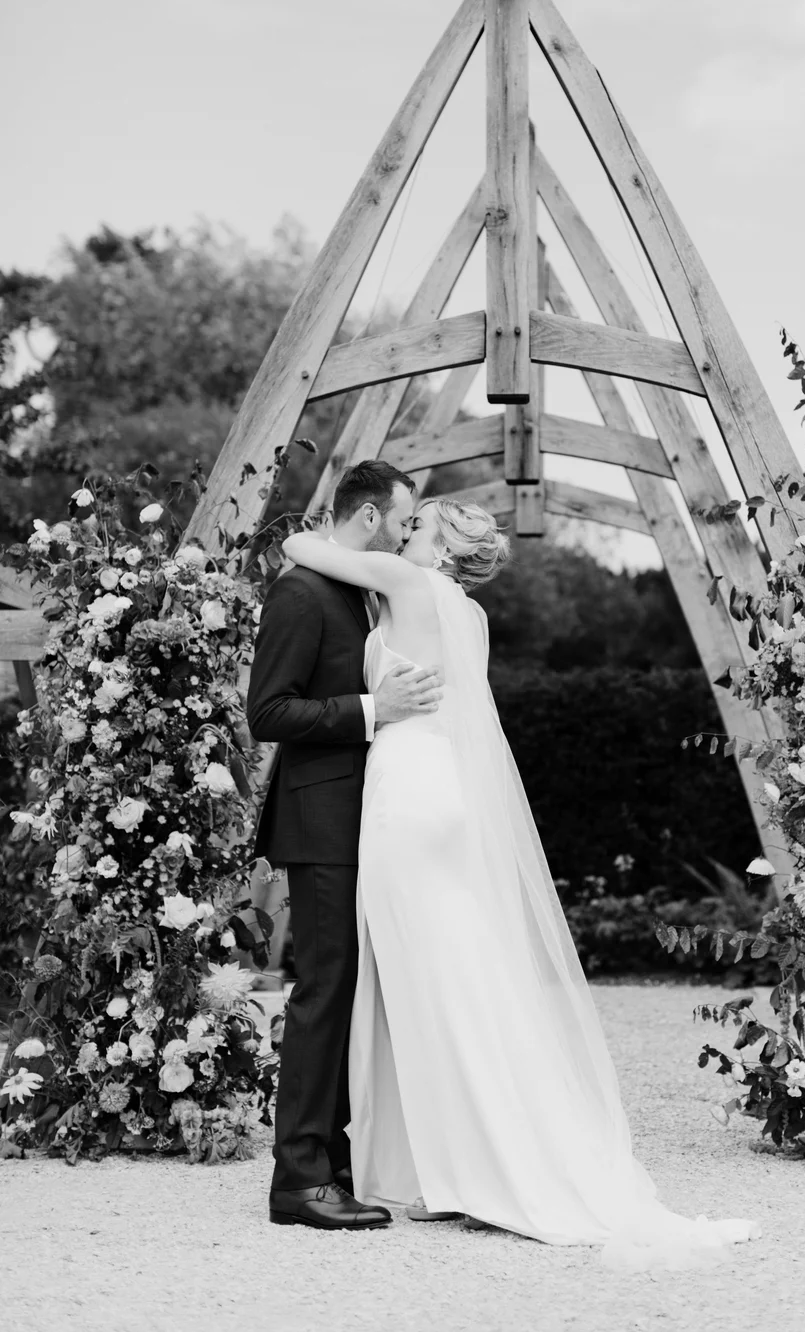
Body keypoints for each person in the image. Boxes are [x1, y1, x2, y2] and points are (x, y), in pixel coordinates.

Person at [280, 496, 762, 1270]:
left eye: (420, 524)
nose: (408, 532)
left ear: (440, 546)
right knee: (454, 973)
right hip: (447, 794)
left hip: (404, 792)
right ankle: (454, 1160)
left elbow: (302, 544)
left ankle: (467, 1161)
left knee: (414, 983)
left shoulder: (407, 584)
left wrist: (368, 539)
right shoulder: (468, 614)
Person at [246, 460, 443, 1232]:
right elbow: (269, 711)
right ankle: (297, 1180)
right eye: (402, 520)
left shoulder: (362, 590)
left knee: (348, 991)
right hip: (321, 822)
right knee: (323, 991)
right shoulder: (299, 593)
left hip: (366, 823)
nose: (404, 533)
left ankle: (334, 1162)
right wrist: (372, 708)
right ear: (368, 519)